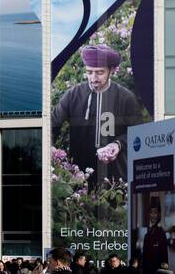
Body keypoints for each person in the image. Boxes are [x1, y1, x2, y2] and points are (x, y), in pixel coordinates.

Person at [50, 43, 145, 190]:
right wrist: (50, 147)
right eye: (89, 72)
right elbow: (52, 124)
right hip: (78, 175)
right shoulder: (72, 95)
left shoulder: (126, 98)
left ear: (111, 70)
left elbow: (139, 133)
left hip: (116, 177)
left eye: (99, 72)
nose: (93, 78)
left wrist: (118, 144)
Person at [138, 203, 169, 274]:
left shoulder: (162, 234)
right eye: (151, 213)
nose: (153, 215)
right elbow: (144, 257)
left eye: (155, 213)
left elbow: (165, 259)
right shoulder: (147, 235)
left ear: (159, 215)